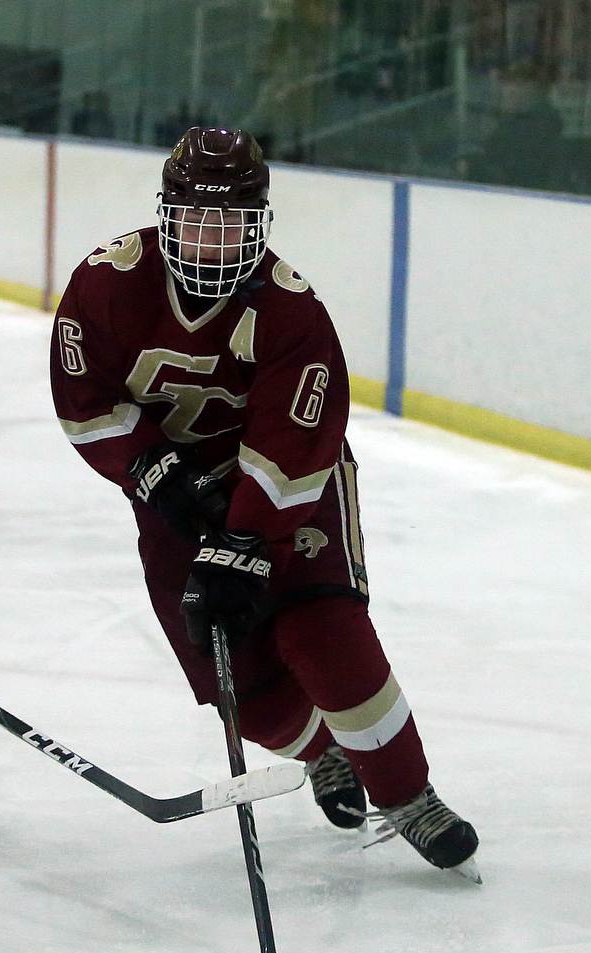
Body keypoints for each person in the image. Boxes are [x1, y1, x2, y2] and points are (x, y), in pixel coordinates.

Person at [48, 127, 479, 878]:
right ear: (168, 216)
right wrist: (150, 470)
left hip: (291, 489)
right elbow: (85, 400)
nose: (213, 243)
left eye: (233, 226)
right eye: (198, 222)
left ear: (261, 226)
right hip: (173, 495)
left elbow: (293, 446)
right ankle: (323, 753)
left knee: (322, 629)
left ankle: (409, 797)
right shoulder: (107, 282)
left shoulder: (290, 311)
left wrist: (245, 543)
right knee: (231, 675)